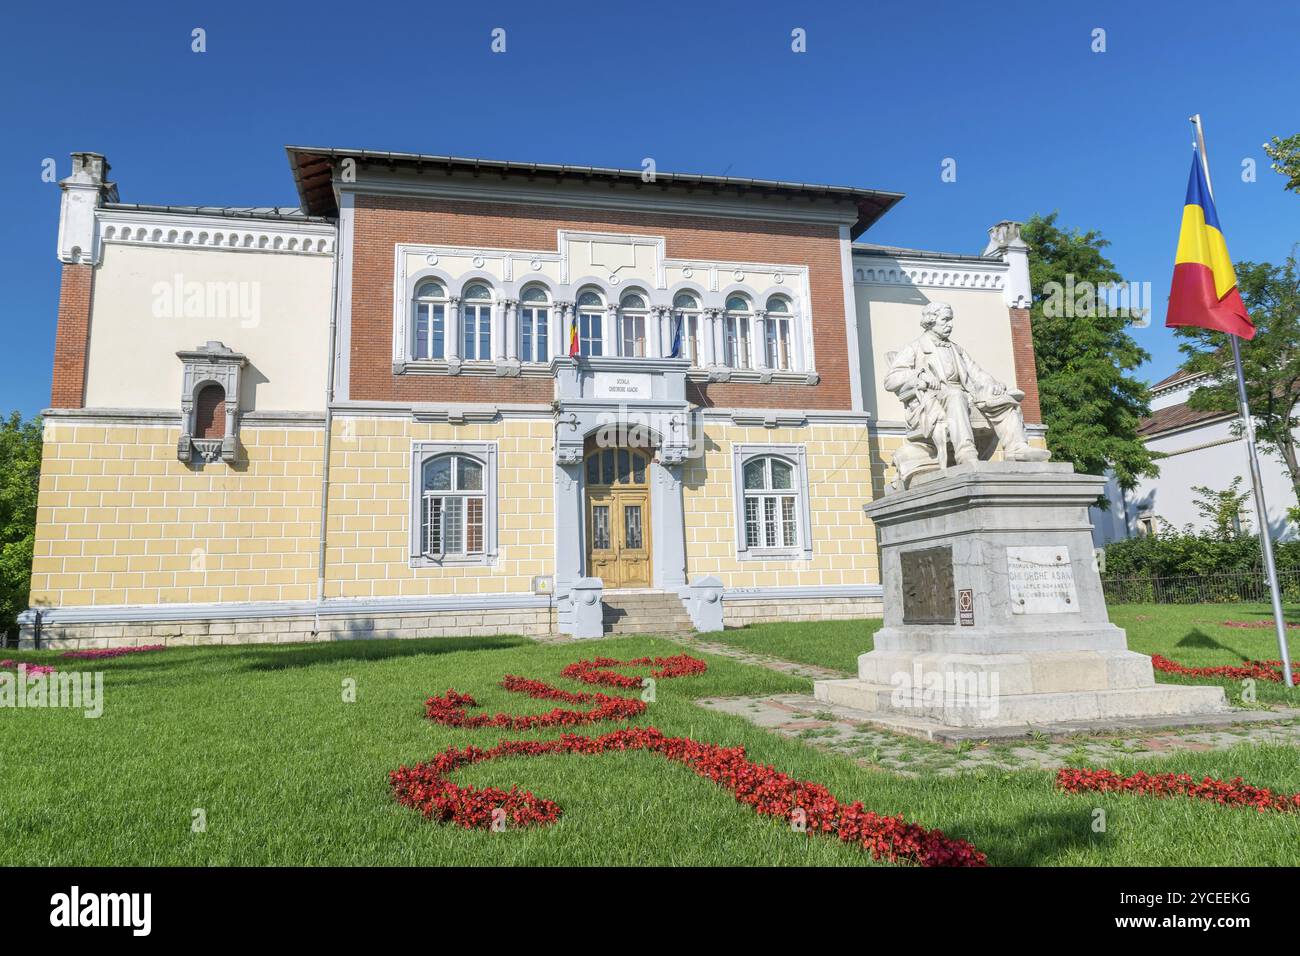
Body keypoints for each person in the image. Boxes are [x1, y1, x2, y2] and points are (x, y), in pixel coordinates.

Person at [884, 302, 1050, 465]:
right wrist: (921, 376)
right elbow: (891, 379)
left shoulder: (956, 349)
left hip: (966, 398)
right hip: (934, 402)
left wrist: (993, 384)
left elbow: (977, 374)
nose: (951, 325)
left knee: (1006, 400)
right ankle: (965, 453)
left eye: (951, 320)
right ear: (931, 321)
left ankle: (1017, 449)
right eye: (945, 320)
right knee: (956, 395)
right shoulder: (915, 347)